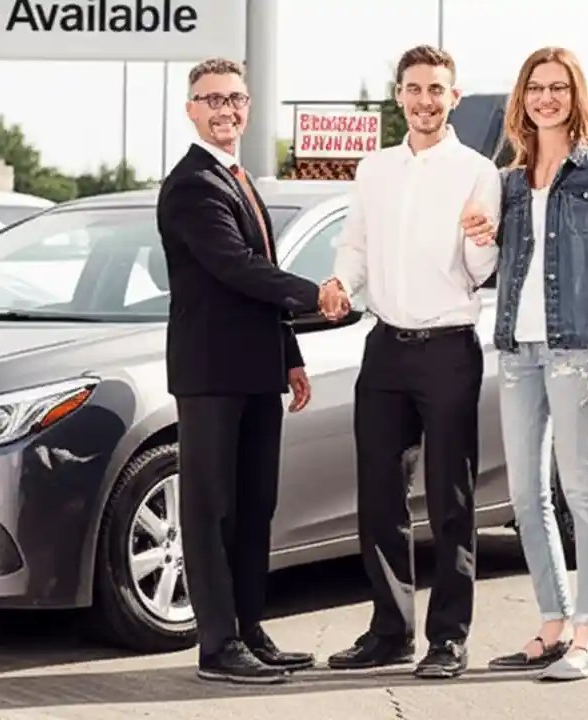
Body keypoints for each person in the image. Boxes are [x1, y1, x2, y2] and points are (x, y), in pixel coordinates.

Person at [462, 47, 588, 681]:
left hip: (578, 347)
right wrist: (483, 236)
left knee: (583, 490)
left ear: (575, 96)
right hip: (517, 349)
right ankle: (553, 622)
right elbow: (499, 268)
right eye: (536, 88)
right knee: (523, 493)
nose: (546, 98)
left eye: (558, 88)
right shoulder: (510, 179)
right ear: (522, 98)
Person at [157, 57, 343, 685]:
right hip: (210, 375)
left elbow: (254, 275)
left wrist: (289, 357)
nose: (225, 110)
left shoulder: (237, 176)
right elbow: (237, 267)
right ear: (191, 109)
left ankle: (249, 630)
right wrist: (316, 294)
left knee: (254, 508)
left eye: (235, 99)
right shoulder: (192, 185)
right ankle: (217, 645)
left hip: (257, 372)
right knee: (209, 511)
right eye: (212, 100)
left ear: (249, 105)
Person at [319, 45, 501, 679]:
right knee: (379, 497)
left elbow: (480, 273)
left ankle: (448, 638)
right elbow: (355, 245)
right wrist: (341, 282)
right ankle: (389, 631)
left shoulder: (480, 171)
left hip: (449, 348)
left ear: (454, 97)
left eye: (437, 90)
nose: (425, 100)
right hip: (384, 348)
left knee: (451, 500)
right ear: (398, 95)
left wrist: (483, 244)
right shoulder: (373, 170)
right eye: (415, 88)